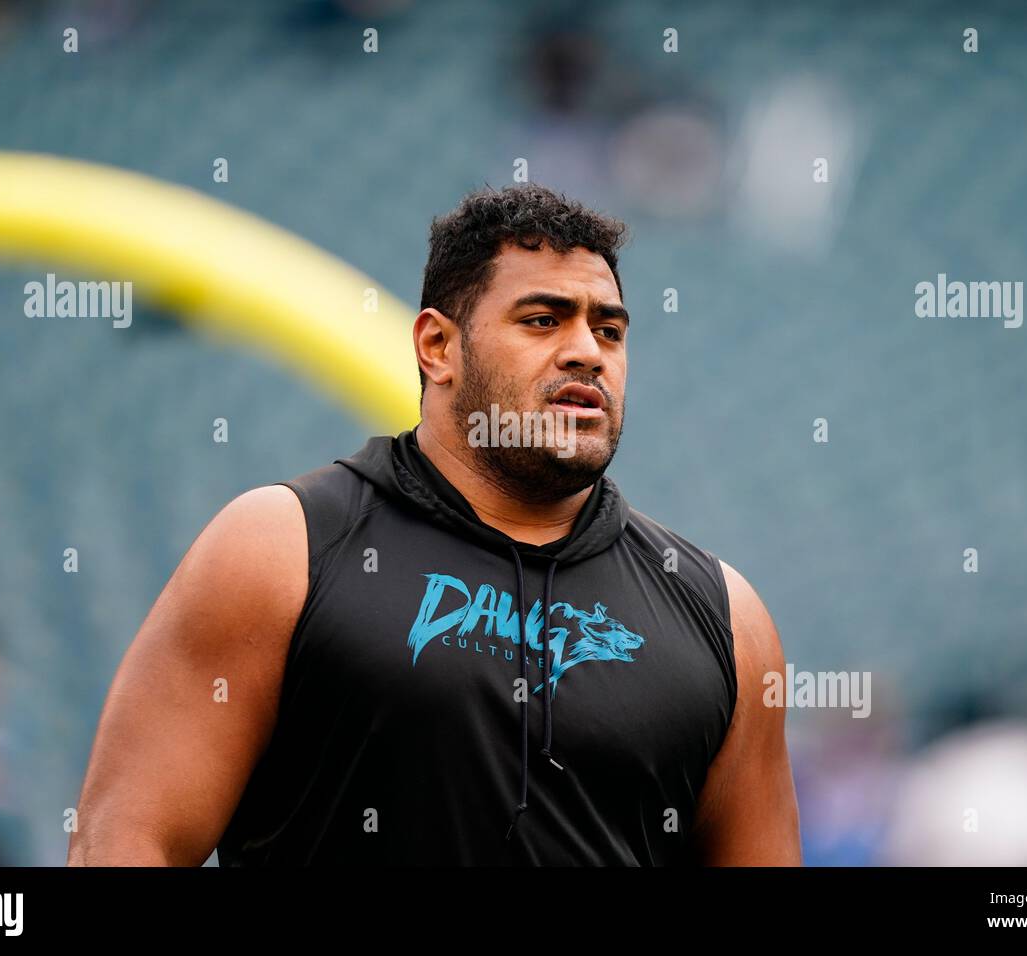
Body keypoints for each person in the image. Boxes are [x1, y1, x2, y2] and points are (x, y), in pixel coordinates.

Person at [68, 183, 801, 866]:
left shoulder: (724, 618)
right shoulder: (281, 548)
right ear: (437, 347)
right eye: (543, 320)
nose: (587, 351)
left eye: (609, 330)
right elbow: (129, 840)